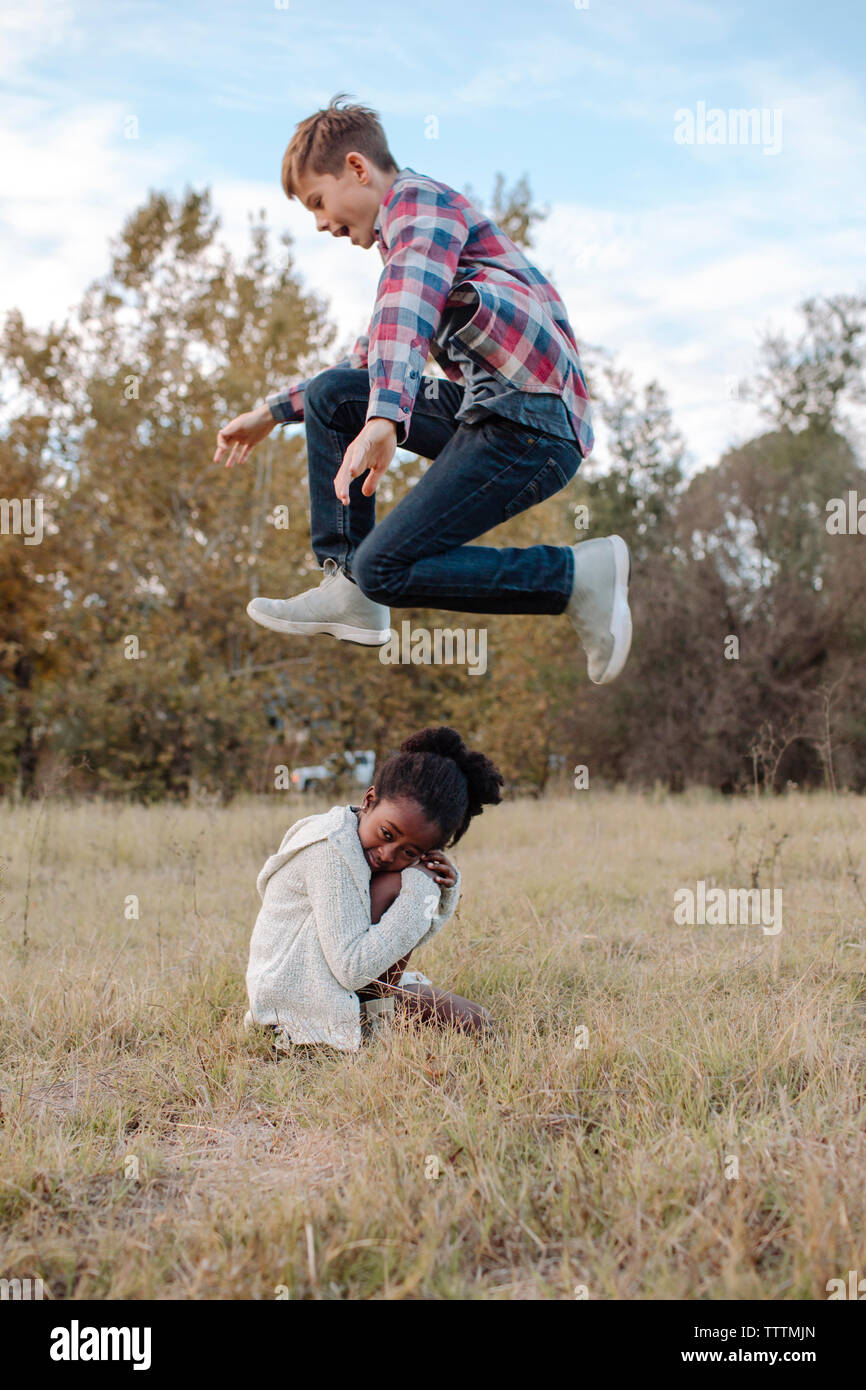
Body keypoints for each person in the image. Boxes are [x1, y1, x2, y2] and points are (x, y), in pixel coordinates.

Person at [214, 94, 632, 686]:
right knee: (337, 395)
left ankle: (573, 577)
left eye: (318, 203)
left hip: (532, 419)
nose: (322, 225)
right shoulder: (412, 242)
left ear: (357, 169)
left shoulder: (419, 207)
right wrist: (270, 412)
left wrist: (386, 418)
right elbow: (374, 352)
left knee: (385, 565)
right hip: (499, 409)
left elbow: (405, 308)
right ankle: (347, 586)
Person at [244, 726, 504, 1054]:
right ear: (369, 800)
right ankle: (374, 1025)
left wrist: (440, 889)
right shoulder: (330, 848)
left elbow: (406, 936)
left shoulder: (366, 845)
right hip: (295, 1000)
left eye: (410, 851)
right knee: (402, 881)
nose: (388, 853)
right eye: (386, 833)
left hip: (337, 982)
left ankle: (377, 1017)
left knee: (476, 1019)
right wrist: (419, 887)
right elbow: (353, 970)